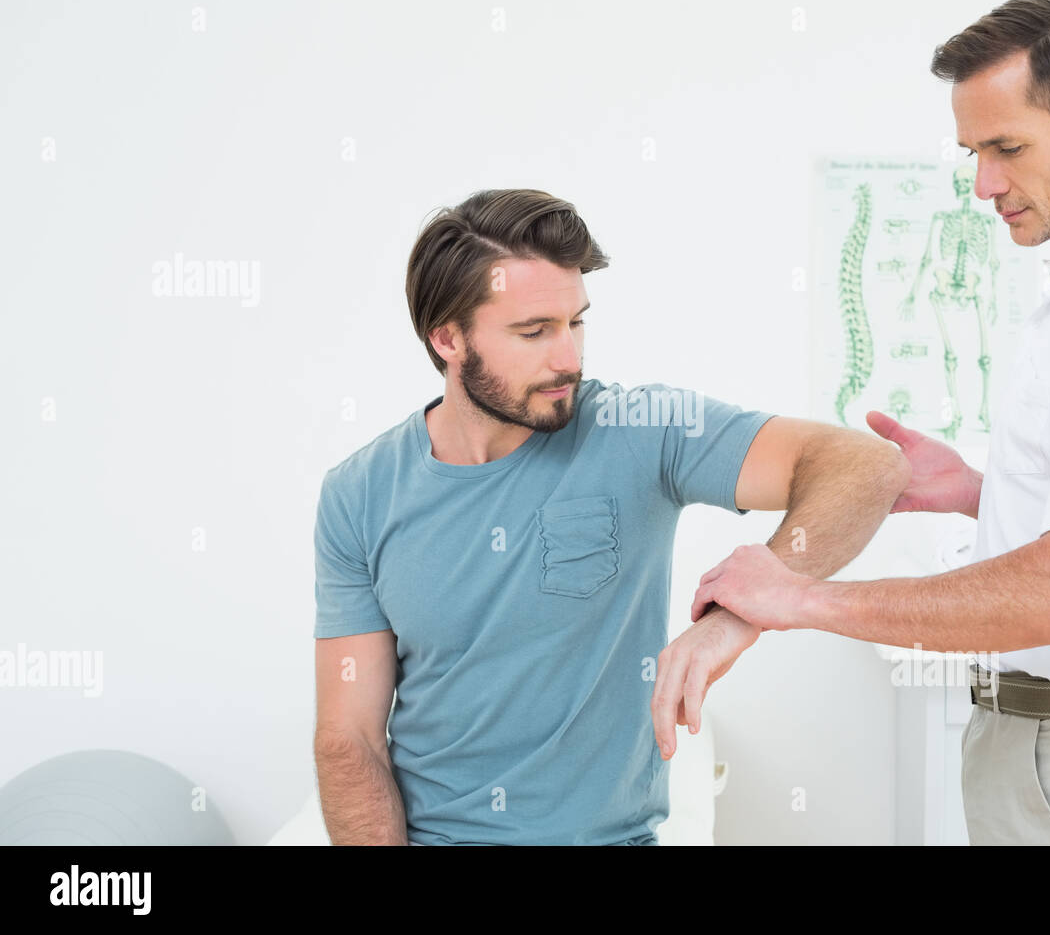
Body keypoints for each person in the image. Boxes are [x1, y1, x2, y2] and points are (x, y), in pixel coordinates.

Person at [680, 0, 1050, 845]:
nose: (983, 184)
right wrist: (977, 493)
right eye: (973, 152)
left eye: (1007, 148)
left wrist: (803, 600)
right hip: (1040, 741)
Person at [311, 188, 910, 845]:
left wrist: (748, 609)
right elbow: (351, 740)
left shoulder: (640, 431)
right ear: (449, 339)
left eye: (576, 322)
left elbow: (866, 467)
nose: (567, 357)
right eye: (534, 331)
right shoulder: (359, 494)